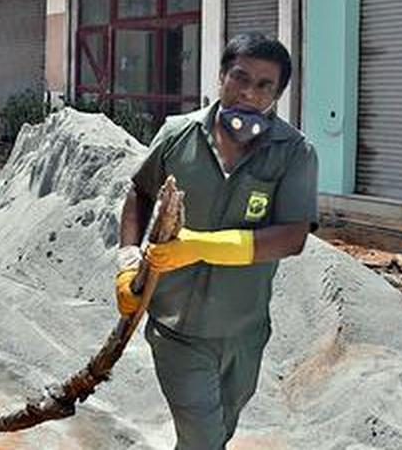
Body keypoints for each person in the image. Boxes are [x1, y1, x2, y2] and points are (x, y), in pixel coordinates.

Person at [114, 33, 318, 450]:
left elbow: (293, 236)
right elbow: (140, 192)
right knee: (203, 439)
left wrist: (202, 245)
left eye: (264, 85)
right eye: (240, 78)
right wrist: (128, 258)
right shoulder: (177, 135)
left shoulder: (294, 153)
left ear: (277, 95)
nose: (248, 92)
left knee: (218, 431)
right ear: (221, 75)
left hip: (244, 331)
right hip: (177, 327)